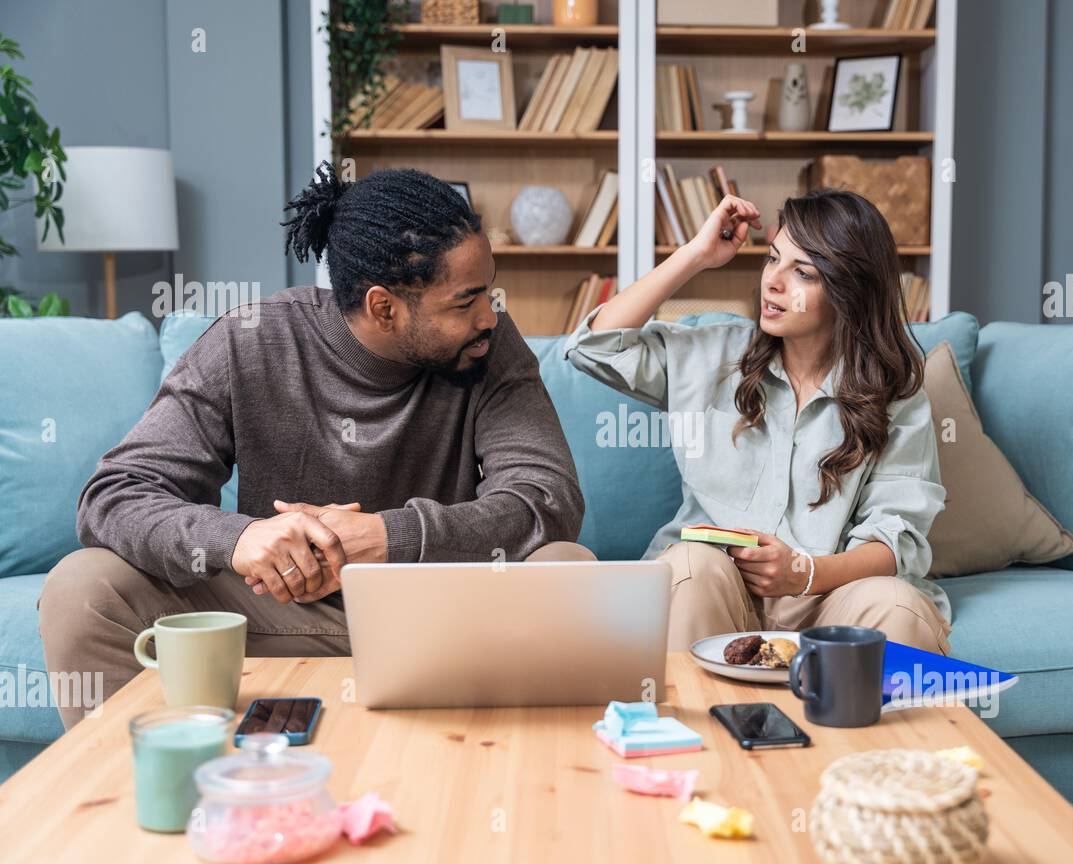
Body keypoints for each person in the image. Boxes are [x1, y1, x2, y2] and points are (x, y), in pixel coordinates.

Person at [40, 162, 588, 728]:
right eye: (465, 301)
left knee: (566, 567)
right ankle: (142, 794)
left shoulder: (491, 346)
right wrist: (241, 538)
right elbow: (115, 495)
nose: (488, 316)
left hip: (441, 616)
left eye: (489, 293)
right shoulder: (251, 341)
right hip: (279, 616)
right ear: (384, 307)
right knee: (83, 587)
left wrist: (384, 538)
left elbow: (547, 499)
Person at [565, 188, 951, 655]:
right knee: (690, 565)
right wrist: (695, 255)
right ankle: (691, 724)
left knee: (895, 603)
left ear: (850, 291)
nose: (773, 282)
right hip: (714, 592)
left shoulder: (897, 395)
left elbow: (897, 540)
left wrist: (802, 573)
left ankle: (866, 727)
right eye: (772, 259)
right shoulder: (713, 354)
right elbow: (593, 348)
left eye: (802, 272)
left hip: (828, 595)